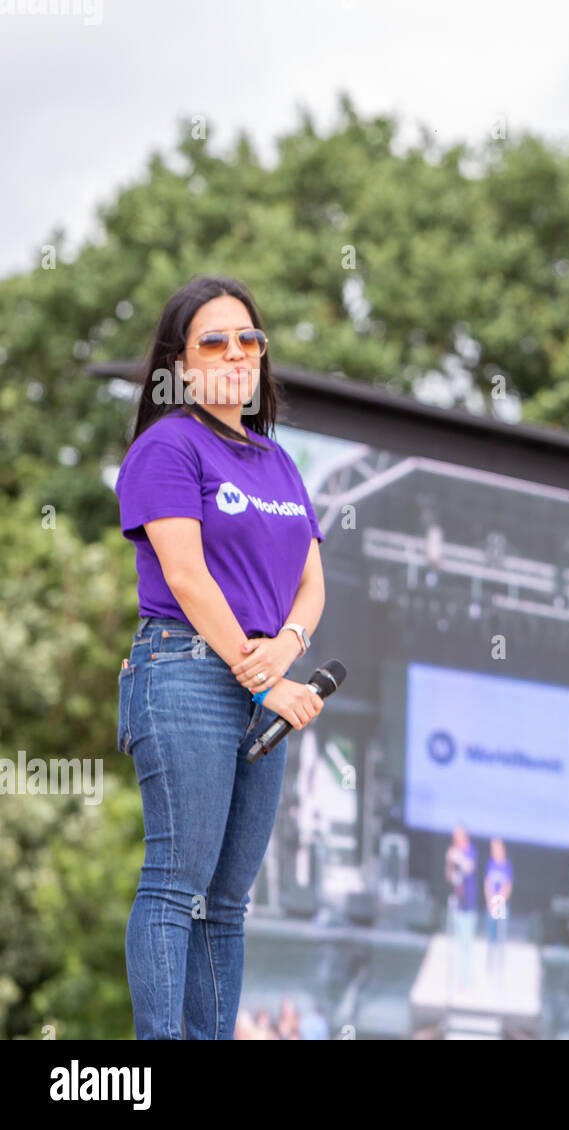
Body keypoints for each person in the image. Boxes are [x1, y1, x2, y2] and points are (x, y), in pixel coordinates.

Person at [114, 275, 328, 1039]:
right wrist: (263, 673)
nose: (238, 352)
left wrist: (286, 651)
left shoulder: (278, 461)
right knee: (178, 884)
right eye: (215, 340)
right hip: (183, 671)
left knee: (227, 902)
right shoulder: (167, 444)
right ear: (179, 362)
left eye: (250, 339)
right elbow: (187, 576)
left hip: (255, 683)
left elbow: (311, 580)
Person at [445, 825, 477, 985]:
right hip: (457, 903)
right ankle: (456, 978)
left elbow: (470, 867)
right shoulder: (453, 852)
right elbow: (449, 877)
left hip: (472, 903)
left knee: (467, 943)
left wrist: (457, 857)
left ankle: (467, 980)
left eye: (457, 835)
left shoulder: (470, 851)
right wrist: (450, 862)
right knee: (455, 942)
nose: (455, 838)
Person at [483, 837, 513, 975]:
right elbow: (487, 883)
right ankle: (489, 964)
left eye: (496, 848)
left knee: (500, 935)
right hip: (491, 904)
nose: (494, 851)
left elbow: (507, 886)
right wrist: (490, 901)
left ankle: (500, 966)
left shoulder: (506, 865)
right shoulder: (490, 864)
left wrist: (498, 902)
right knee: (490, 935)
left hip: (500, 905)